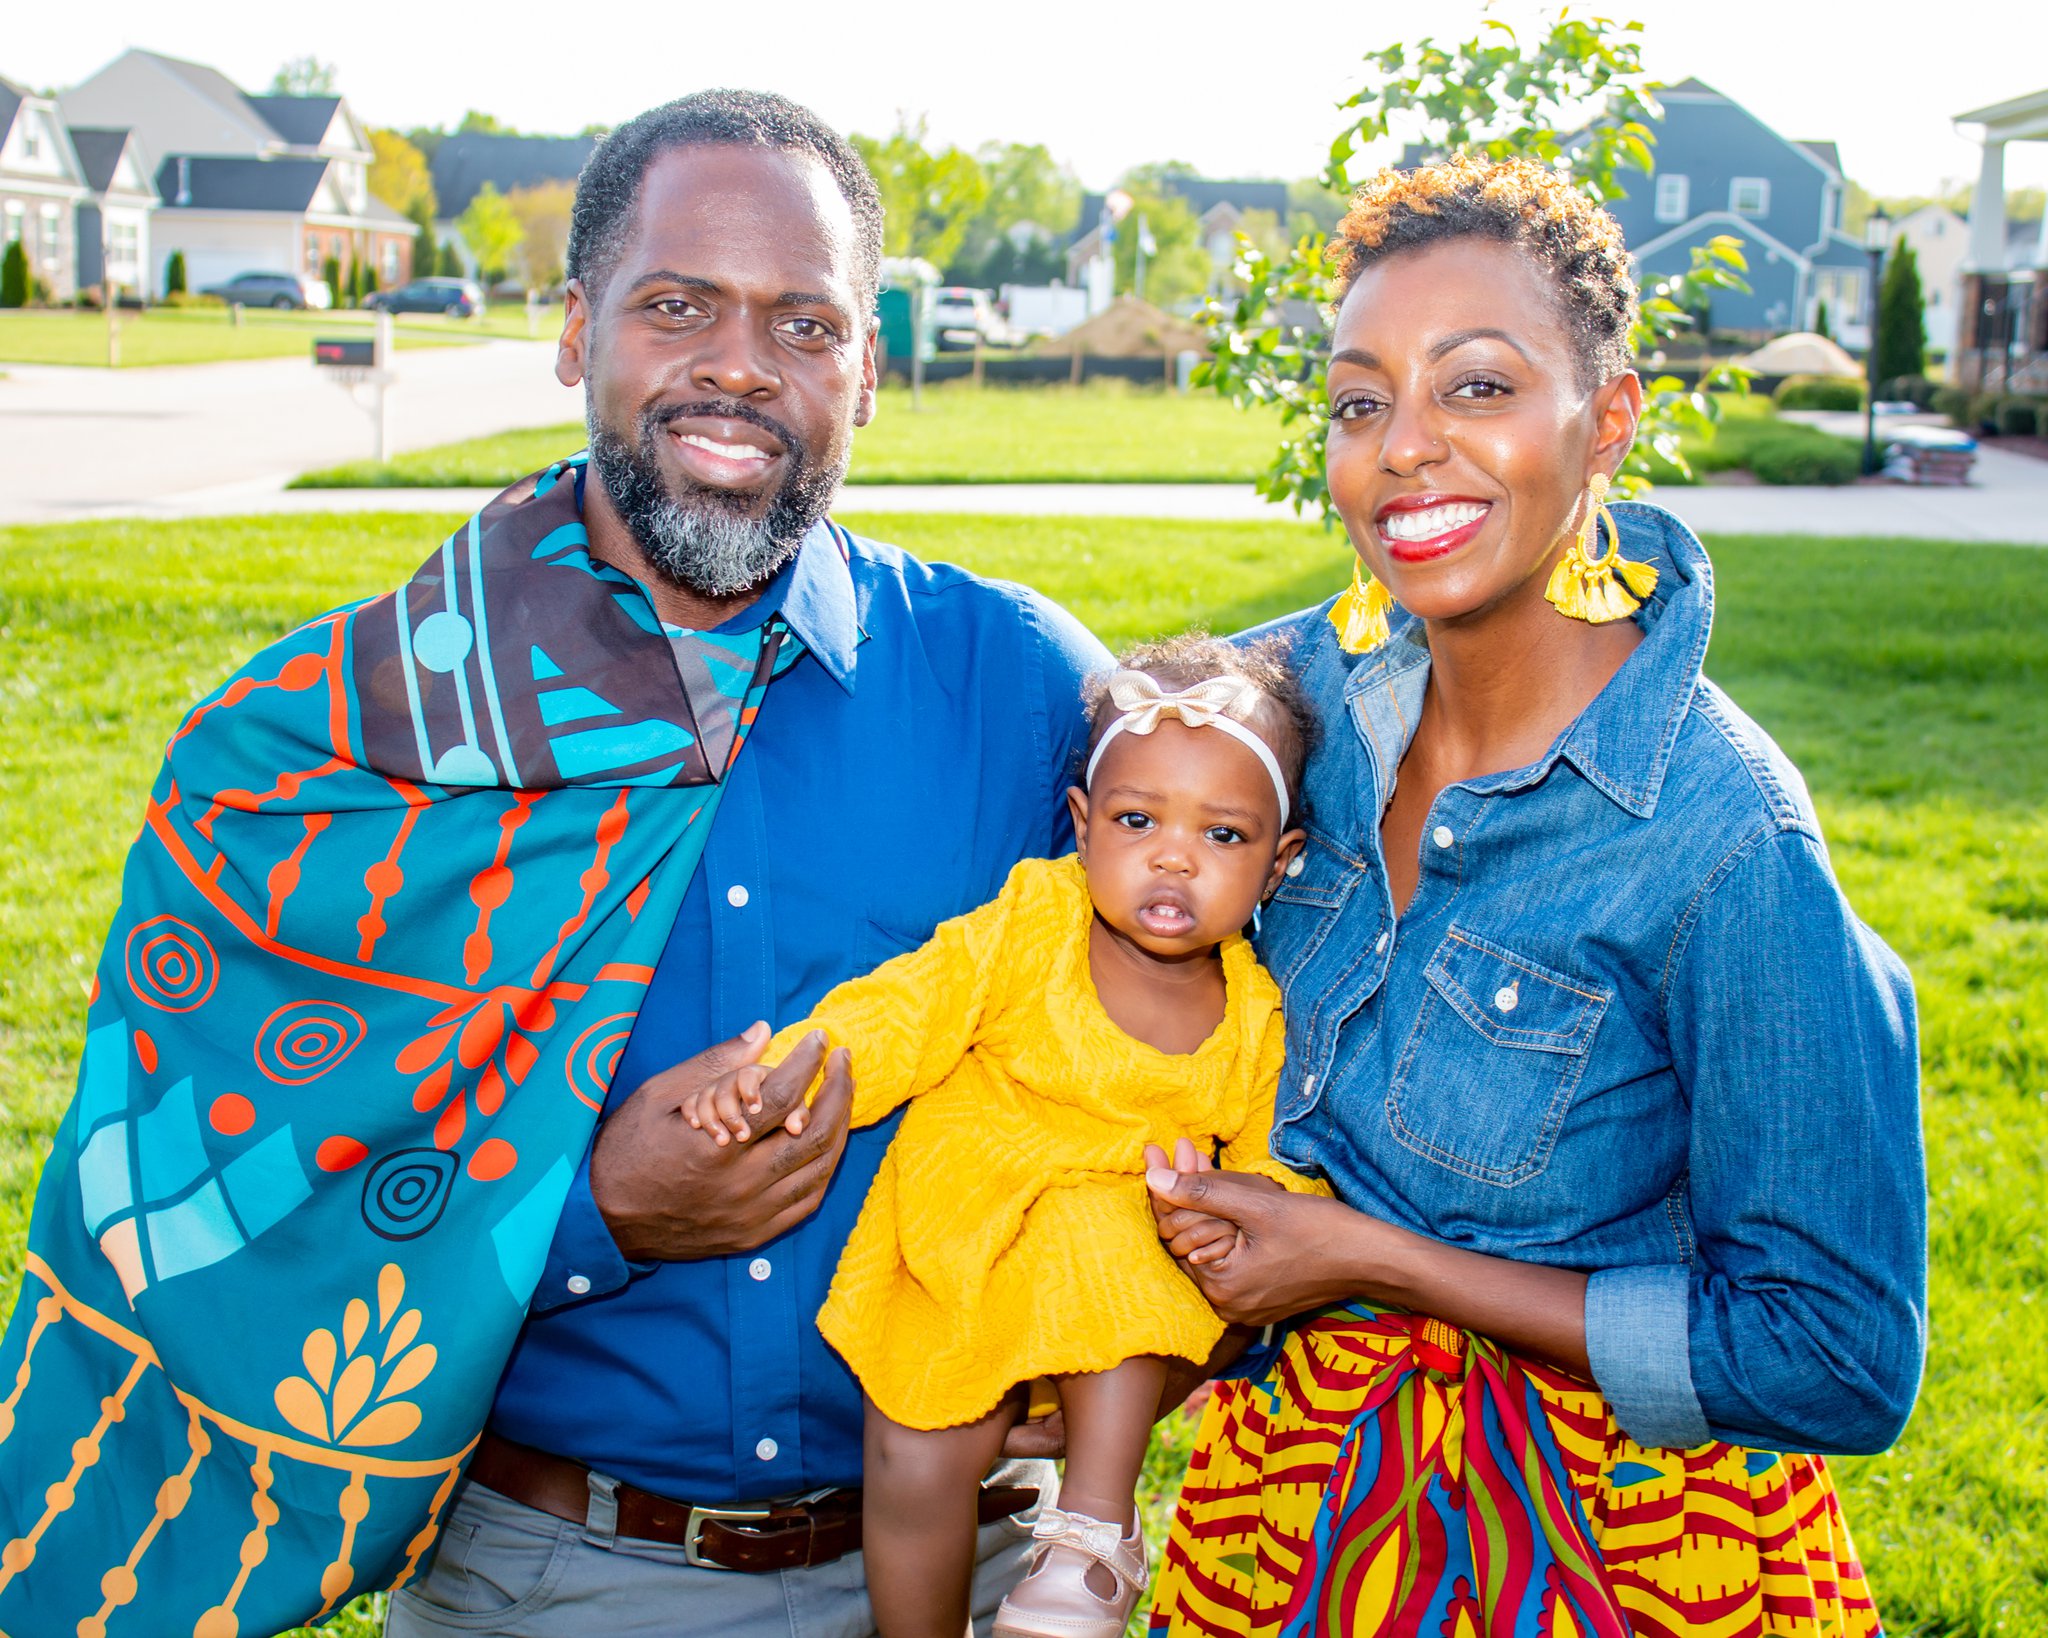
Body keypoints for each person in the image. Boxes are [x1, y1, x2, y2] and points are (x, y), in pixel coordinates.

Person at [0, 92, 1109, 1638]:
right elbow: (212, 1209)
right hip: (558, 1574)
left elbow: (1199, 1040)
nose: (739, 363)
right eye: (676, 306)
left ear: (871, 366)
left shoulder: (1023, 688)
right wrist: (592, 1215)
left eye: (803, 322)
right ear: (577, 329)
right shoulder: (329, 753)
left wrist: (1147, 1342)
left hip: (972, 1566)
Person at [1140, 156, 1927, 1637]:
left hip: (1613, 1553)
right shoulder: (1276, 723)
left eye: (1479, 388)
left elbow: (1838, 1354)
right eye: (1361, 402)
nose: (1404, 451)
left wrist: (1372, 1260)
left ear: (1606, 419)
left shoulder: (1721, 834)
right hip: (1281, 1526)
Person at [684, 636, 1328, 1638]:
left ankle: (1091, 1543)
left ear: (1278, 862)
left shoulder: (1252, 1015)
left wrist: (1250, 1223)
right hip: (964, 1244)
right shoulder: (1033, 923)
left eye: (1223, 838)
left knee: (1104, 1239)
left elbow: (1272, 1160)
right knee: (915, 1454)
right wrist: (799, 1071)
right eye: (1136, 819)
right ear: (1080, 826)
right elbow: (913, 1005)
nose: (1171, 856)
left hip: (1116, 1277)